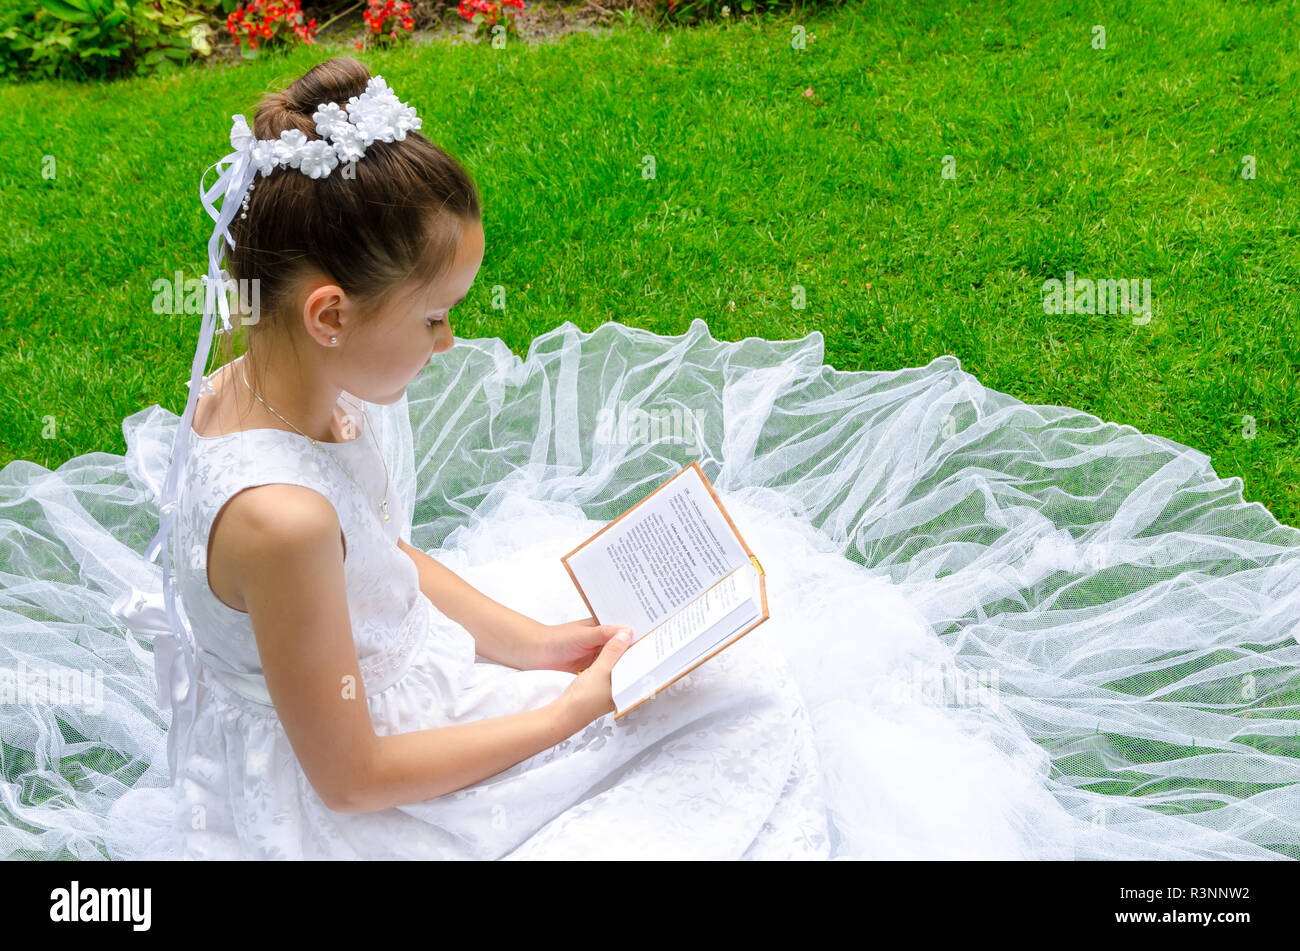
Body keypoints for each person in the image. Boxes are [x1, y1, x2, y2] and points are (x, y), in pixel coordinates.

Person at [3, 56, 1298, 861]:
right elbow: (350, 779)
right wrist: (566, 716)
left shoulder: (287, 379)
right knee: (737, 737)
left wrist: (534, 644)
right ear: (332, 310)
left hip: (384, 682)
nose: (454, 345)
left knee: (722, 672)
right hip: (364, 800)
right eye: (437, 318)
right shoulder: (272, 514)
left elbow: (382, 552)